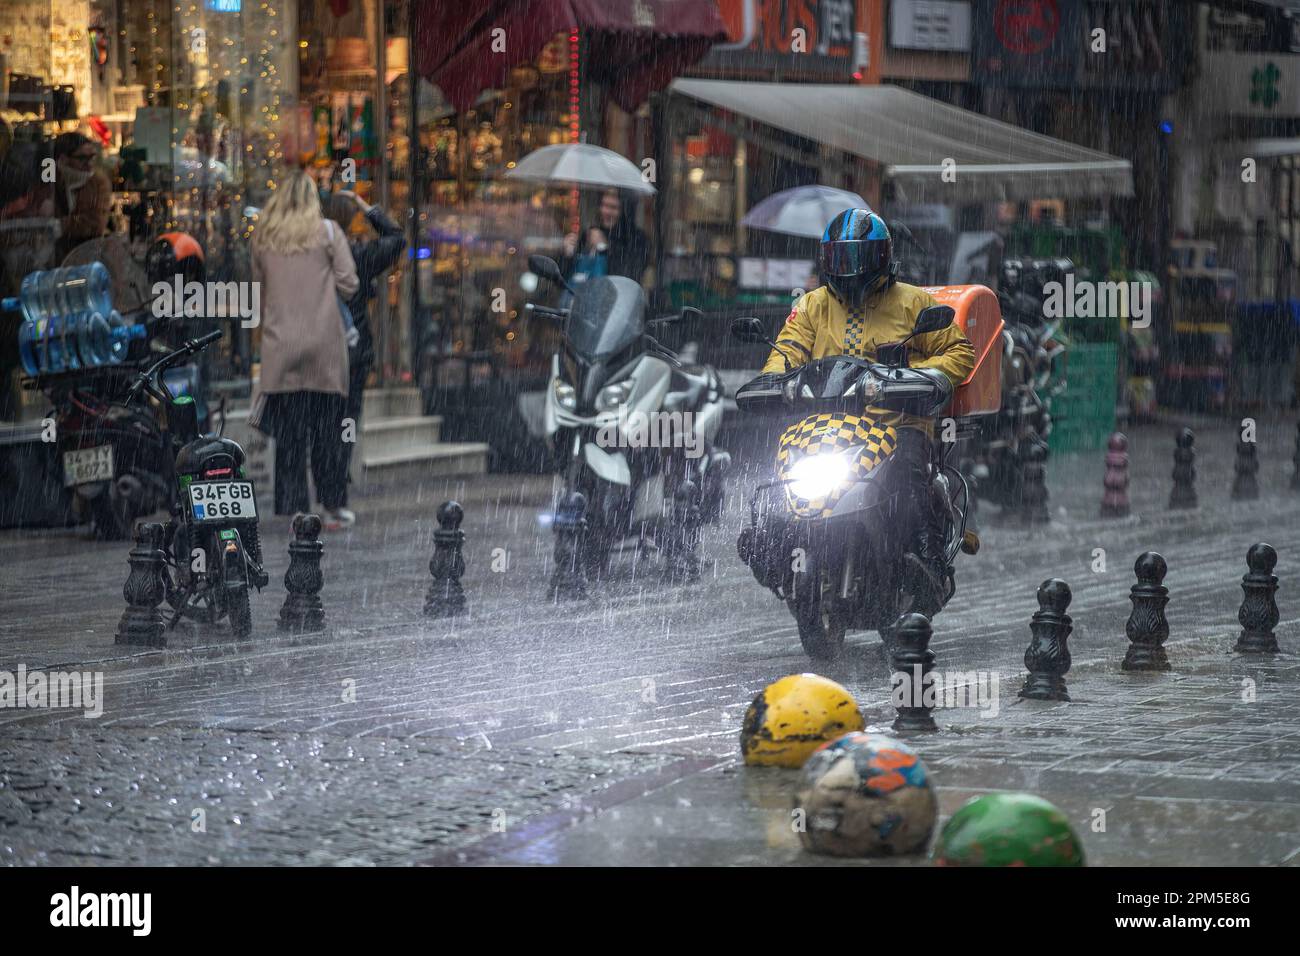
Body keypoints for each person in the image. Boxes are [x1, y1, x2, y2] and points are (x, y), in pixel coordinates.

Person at [752, 209, 975, 607]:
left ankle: (928, 559)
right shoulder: (811, 306)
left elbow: (957, 349)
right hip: (823, 425)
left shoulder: (913, 301)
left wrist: (923, 376)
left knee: (908, 475)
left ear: (881, 257)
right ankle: (771, 542)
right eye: (840, 259)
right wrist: (775, 381)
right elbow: (787, 350)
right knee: (780, 472)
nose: (848, 269)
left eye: (857, 258)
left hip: (897, 423)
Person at [250, 171, 359, 531]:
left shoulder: (264, 238)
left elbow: (258, 289)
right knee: (328, 432)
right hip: (324, 344)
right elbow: (349, 282)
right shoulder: (328, 232)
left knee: (290, 435)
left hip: (281, 346)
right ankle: (330, 504)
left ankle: (295, 507)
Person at [322, 188, 407, 514]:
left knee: (326, 424)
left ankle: (328, 492)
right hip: (351, 351)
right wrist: (367, 207)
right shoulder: (357, 254)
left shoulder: (319, 254)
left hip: (325, 349)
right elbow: (397, 238)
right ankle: (334, 496)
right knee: (344, 423)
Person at [560, 187, 647, 282]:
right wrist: (567, 255)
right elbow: (566, 276)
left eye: (614, 207)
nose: (606, 212)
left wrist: (603, 248)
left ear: (624, 211)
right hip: (584, 294)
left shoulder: (637, 238)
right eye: (604, 205)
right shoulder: (591, 233)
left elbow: (629, 275)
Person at [51, 133, 112, 263]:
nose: (89, 163)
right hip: (56, 256)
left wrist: (62, 226)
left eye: (92, 157)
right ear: (63, 159)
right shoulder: (53, 179)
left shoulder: (98, 182)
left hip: (88, 254)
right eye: (83, 158)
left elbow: (96, 223)